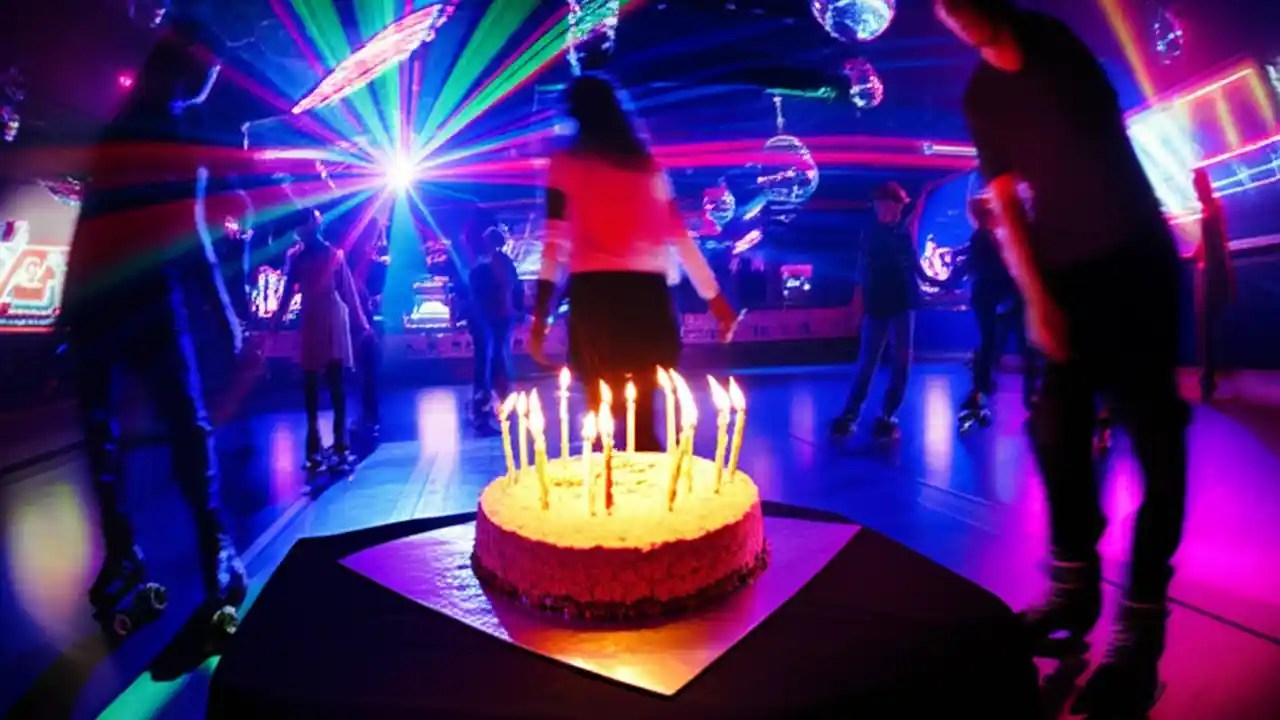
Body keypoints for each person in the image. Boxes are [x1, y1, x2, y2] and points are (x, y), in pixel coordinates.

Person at [936, 0, 1189, 714]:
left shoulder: (1051, 44)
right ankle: (1074, 587)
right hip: (1067, 276)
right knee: (1054, 431)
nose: (951, 13)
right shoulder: (979, 96)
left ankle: (1141, 626)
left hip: (1135, 259)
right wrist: (1037, 294)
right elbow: (1007, 204)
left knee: (1155, 435)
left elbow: (1026, 53)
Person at [60, 17, 247, 627]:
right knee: (186, 425)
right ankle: (214, 547)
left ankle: (122, 553)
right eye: (213, 69)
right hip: (145, 296)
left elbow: (91, 216)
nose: (212, 81)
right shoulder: (176, 125)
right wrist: (224, 311)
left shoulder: (123, 122)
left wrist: (67, 304)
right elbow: (188, 230)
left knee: (101, 433)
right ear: (192, 61)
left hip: (96, 294)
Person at [529, 73, 737, 451]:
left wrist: (541, 315)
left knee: (600, 417)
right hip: (647, 300)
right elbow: (680, 238)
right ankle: (652, 500)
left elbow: (553, 245)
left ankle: (603, 499)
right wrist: (716, 300)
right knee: (643, 418)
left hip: (597, 301)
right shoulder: (647, 167)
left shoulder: (565, 165)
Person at [830, 181, 933, 442]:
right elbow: (861, 270)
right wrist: (857, 304)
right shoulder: (871, 233)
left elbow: (914, 267)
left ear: (897, 207)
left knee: (901, 362)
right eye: (879, 206)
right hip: (877, 303)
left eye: (888, 206)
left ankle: (887, 415)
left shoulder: (905, 231)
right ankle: (851, 416)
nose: (883, 211)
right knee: (867, 363)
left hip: (902, 303)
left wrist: (939, 284)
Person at [272, 208, 370, 471]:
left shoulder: (332, 255)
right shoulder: (299, 258)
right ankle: (318, 447)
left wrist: (361, 323)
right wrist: (276, 323)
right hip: (314, 318)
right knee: (312, 384)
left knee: (333, 382)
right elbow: (286, 296)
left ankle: (339, 445)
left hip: (330, 317)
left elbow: (347, 291)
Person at [953, 193, 1039, 428]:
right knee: (1005, 346)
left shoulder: (985, 237)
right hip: (998, 300)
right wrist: (1017, 286)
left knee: (993, 345)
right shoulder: (984, 239)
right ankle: (986, 393)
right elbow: (994, 272)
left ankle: (980, 393)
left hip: (995, 301)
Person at [468, 224, 523, 432]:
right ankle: (491, 408)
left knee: (488, 361)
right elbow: (512, 289)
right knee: (494, 361)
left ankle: (485, 408)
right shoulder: (502, 262)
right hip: (496, 318)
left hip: (488, 318)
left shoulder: (483, 264)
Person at [1191, 167, 1234, 403]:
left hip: (1210, 274)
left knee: (1206, 329)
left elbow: (1219, 245)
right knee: (1207, 328)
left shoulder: (1213, 210)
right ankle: (1209, 380)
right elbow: (1209, 244)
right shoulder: (1210, 209)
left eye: (1197, 186)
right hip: (1207, 273)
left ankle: (1208, 381)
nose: (1196, 191)